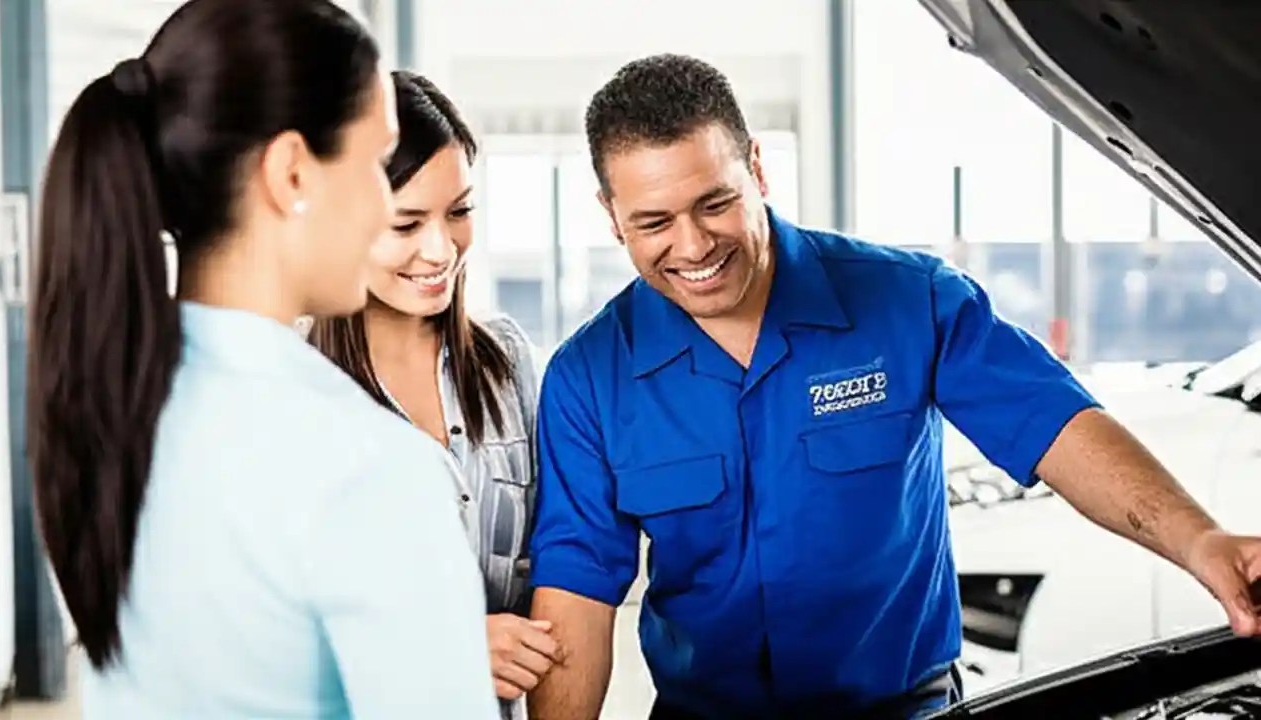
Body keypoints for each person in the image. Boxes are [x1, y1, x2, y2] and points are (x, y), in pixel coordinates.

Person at [525, 54, 1261, 720]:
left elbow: (1055, 426)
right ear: (611, 217)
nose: (692, 246)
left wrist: (1201, 543)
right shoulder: (590, 378)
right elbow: (578, 591)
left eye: (715, 203)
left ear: (756, 168)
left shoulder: (908, 302)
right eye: (653, 221)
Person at [26, 1, 497, 717]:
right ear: (293, 174)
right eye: (376, 163)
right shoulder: (368, 466)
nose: (384, 207)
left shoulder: (110, 399)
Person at [309, 70, 553, 719]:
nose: (440, 248)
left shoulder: (507, 365)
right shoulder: (290, 391)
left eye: (460, 211)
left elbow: (557, 567)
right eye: (406, 222)